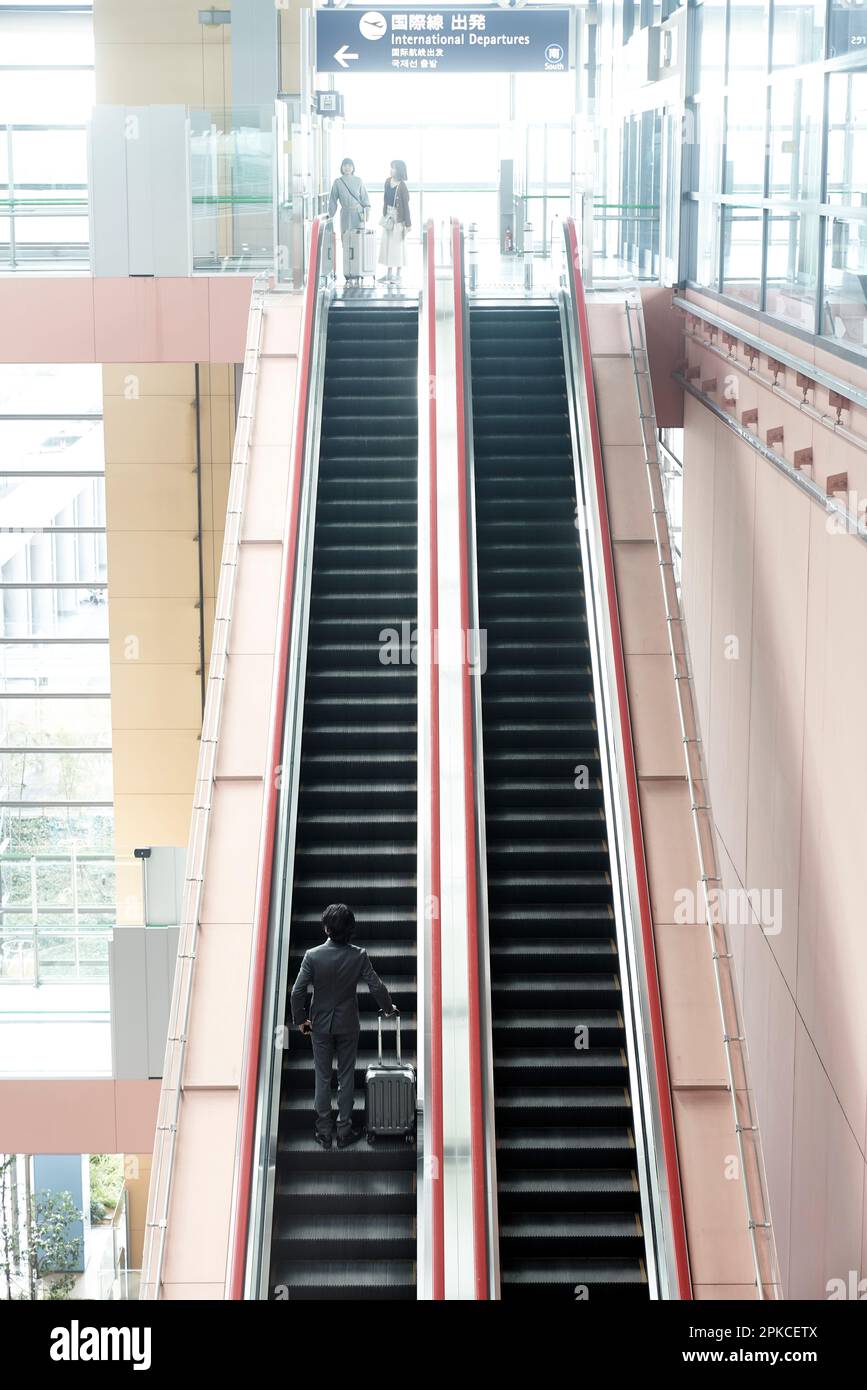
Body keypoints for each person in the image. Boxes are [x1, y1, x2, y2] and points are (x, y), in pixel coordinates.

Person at [290, 902, 398, 1150]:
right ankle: (345, 1130)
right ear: (350, 930)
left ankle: (324, 1132)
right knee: (346, 1076)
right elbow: (376, 986)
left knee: (322, 1076)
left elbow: (297, 992)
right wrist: (389, 1008)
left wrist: (301, 1020)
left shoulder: (312, 955)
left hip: (319, 1025)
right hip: (348, 1023)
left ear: (326, 928)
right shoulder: (358, 955)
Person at [328, 158, 370, 282]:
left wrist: (367, 210)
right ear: (341, 167)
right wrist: (330, 215)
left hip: (357, 214)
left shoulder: (359, 181)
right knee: (346, 242)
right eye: (345, 165)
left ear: (353, 167)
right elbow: (332, 199)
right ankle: (348, 271)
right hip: (345, 213)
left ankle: (358, 270)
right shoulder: (338, 182)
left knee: (358, 242)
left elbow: (365, 198)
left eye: (349, 165)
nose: (347, 168)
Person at [378, 159, 411, 285]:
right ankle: (389, 274)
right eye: (391, 167)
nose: (391, 170)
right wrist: (384, 215)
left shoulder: (402, 186)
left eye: (394, 168)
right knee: (387, 246)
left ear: (400, 170)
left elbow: (406, 207)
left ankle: (398, 275)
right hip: (389, 218)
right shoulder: (388, 182)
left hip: (399, 219)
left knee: (397, 247)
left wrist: (408, 224)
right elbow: (385, 200)